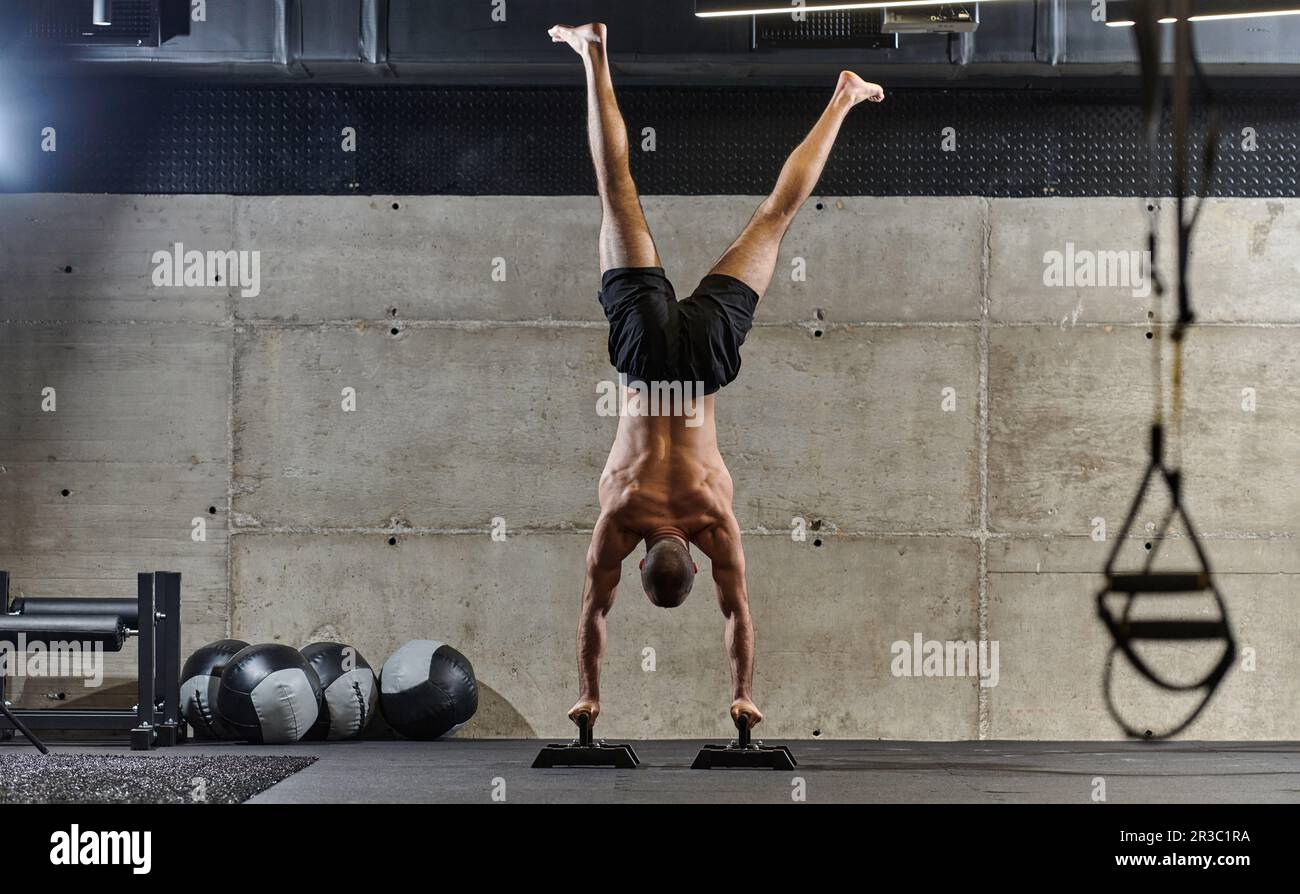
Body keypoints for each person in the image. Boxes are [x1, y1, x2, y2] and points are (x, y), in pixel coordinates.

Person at [550, 22, 884, 733]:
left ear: (691, 567)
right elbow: (593, 613)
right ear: (645, 565)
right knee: (616, 191)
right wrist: (588, 692)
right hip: (646, 362)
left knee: (775, 215)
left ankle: (845, 98)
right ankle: (594, 50)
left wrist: (745, 692)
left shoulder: (714, 522)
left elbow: (738, 613)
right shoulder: (620, 519)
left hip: (703, 363)